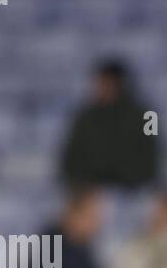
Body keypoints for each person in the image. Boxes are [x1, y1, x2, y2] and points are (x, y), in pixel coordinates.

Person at [59, 58, 161, 190]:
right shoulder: (84, 117)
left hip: (133, 191)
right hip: (91, 192)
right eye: (100, 83)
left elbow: (152, 157)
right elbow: (71, 158)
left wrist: (129, 179)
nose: (102, 88)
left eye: (107, 83)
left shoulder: (148, 116)